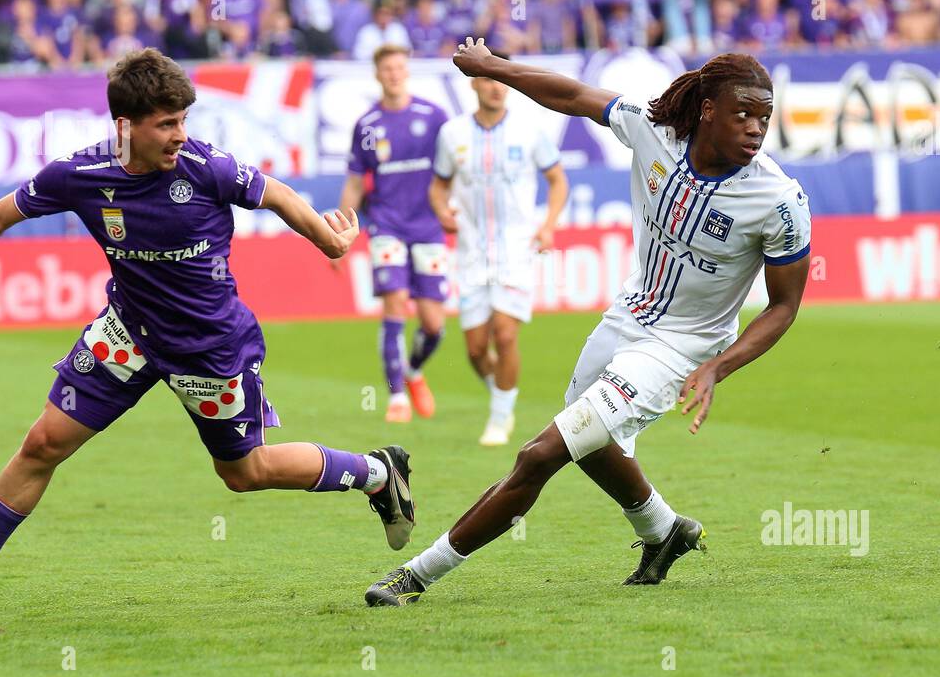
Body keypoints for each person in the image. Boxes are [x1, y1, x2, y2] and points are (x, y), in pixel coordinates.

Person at [0, 49, 415, 608]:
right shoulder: (80, 175)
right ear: (125, 126)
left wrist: (326, 237)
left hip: (207, 349)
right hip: (128, 333)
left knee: (244, 472)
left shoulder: (205, 167)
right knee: (43, 442)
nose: (179, 135)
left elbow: (274, 192)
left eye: (183, 120)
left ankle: (378, 473)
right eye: (166, 124)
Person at [366, 39, 812, 607]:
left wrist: (716, 366)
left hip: (681, 350)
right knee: (590, 444)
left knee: (540, 454)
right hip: (628, 317)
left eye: (764, 118)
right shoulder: (655, 131)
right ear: (707, 111)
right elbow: (574, 94)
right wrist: (494, 67)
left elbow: (783, 307)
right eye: (742, 114)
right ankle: (664, 530)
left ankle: (415, 576)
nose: (755, 128)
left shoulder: (778, 200)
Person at [428, 52, 568, 446]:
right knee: (474, 348)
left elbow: (558, 180)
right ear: (474, 83)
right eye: (488, 79)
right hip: (472, 252)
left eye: (501, 80)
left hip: (515, 250)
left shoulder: (529, 130)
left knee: (505, 335)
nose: (496, 87)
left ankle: (501, 418)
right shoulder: (452, 134)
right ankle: (501, 395)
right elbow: (438, 186)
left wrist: (548, 225)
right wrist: (442, 210)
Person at [340, 45, 450, 423]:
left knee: (434, 325)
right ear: (377, 74)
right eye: (387, 68)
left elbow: (453, 168)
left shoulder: (433, 117)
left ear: (408, 71)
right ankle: (396, 396)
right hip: (386, 225)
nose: (394, 73)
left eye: (400, 67)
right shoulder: (367, 125)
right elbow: (355, 183)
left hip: (429, 227)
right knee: (395, 304)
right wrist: (341, 233)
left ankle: (413, 371)